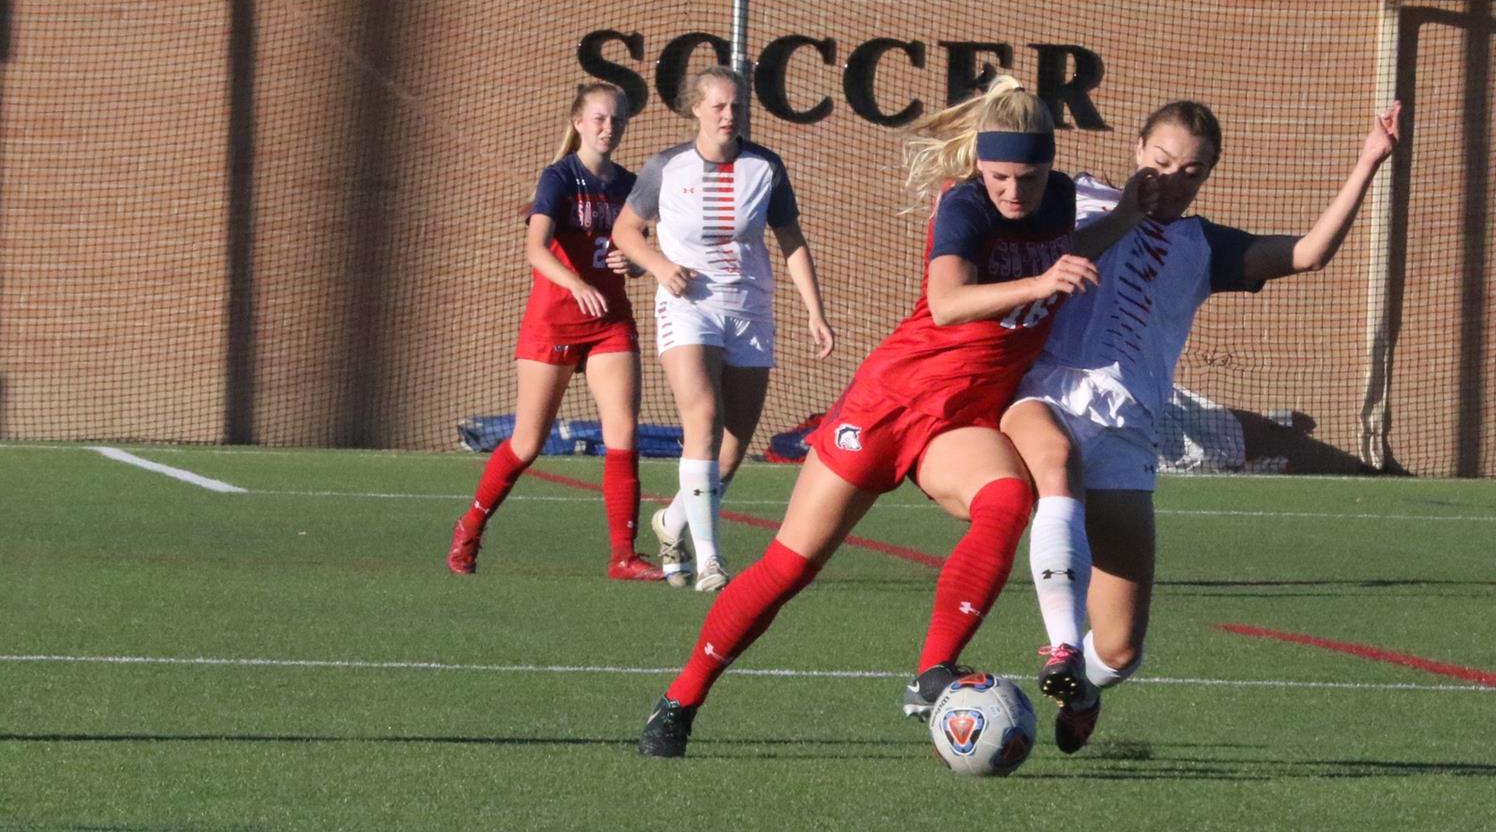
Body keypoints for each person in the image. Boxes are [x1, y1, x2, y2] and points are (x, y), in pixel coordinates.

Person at [635, 76, 1156, 758]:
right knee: (789, 567)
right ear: (978, 164)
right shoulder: (964, 206)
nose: (1012, 191)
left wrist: (1125, 218)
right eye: (998, 175)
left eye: (1026, 177)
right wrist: (1039, 282)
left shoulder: (1056, 201)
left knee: (1006, 500)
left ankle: (932, 670)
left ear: (1050, 168)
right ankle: (678, 702)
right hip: (890, 402)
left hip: (961, 418)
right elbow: (946, 302)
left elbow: (1065, 252)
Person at [1002, 99, 1400, 752]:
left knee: (1124, 649)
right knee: (1056, 468)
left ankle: (1087, 683)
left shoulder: (1203, 246)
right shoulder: (1077, 200)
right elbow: (1038, 262)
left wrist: (1367, 162)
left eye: (1193, 171)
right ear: (1136, 151)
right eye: (1161, 163)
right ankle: (1062, 647)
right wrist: (1122, 215)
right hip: (1049, 393)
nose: (1174, 179)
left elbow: (1307, 254)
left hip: (1129, 432)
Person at [612, 67, 837, 591]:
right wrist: (660, 265)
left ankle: (672, 522)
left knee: (733, 444)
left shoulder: (765, 167)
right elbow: (626, 229)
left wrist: (815, 311)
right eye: (718, 106)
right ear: (696, 109)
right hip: (688, 306)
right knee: (704, 417)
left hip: (750, 310)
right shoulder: (666, 166)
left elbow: (790, 239)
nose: (728, 116)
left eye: (736, 107)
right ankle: (710, 558)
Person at [447, 81, 664, 581]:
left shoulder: (630, 185)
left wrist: (633, 267)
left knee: (624, 432)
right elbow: (536, 248)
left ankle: (623, 555)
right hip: (554, 322)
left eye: (617, 120)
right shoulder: (559, 177)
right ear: (578, 122)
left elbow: (638, 253)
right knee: (527, 443)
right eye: (600, 119)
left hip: (609, 323)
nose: (609, 128)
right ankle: (471, 526)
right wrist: (575, 283)